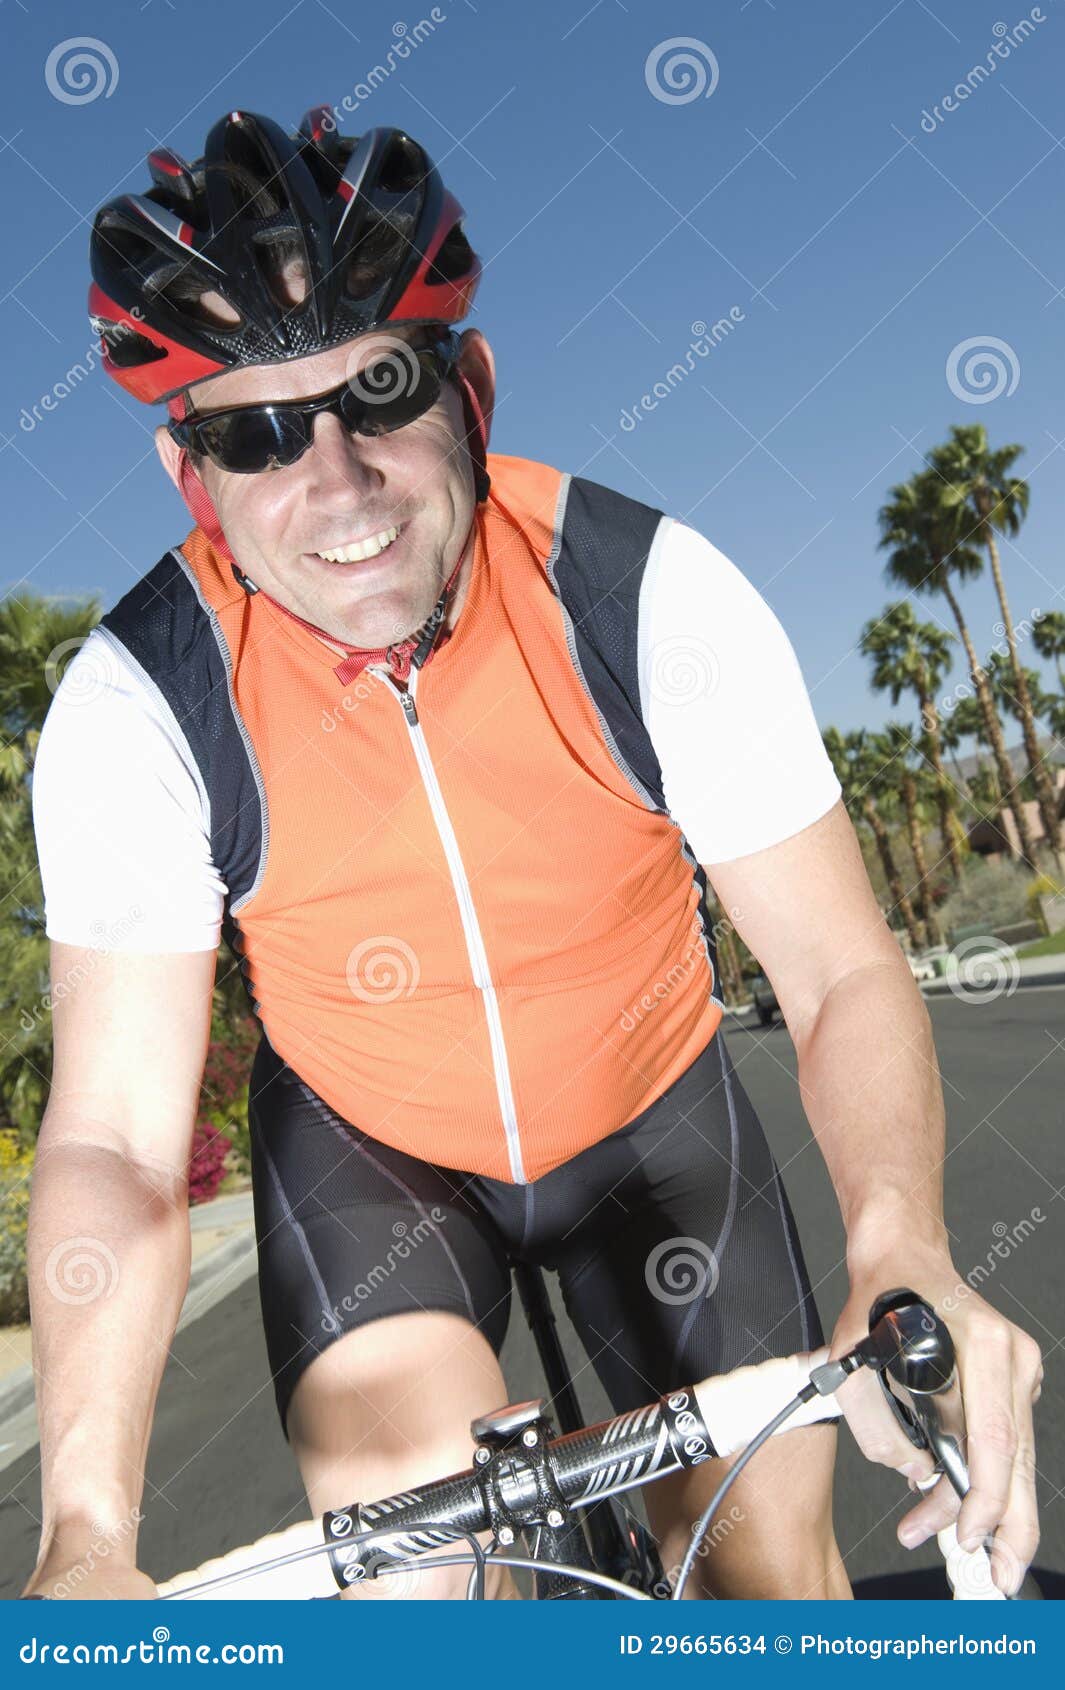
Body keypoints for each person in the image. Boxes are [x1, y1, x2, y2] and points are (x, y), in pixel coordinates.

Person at [23, 106, 1041, 1601]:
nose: (336, 479)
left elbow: (833, 972)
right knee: (421, 1574)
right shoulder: (140, 701)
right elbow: (111, 1138)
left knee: (762, 1569)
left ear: (472, 389)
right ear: (195, 484)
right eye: (253, 430)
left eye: (378, 389)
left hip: (647, 1114)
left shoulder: (645, 594)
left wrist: (903, 1244)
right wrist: (86, 1532)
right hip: (378, 1157)